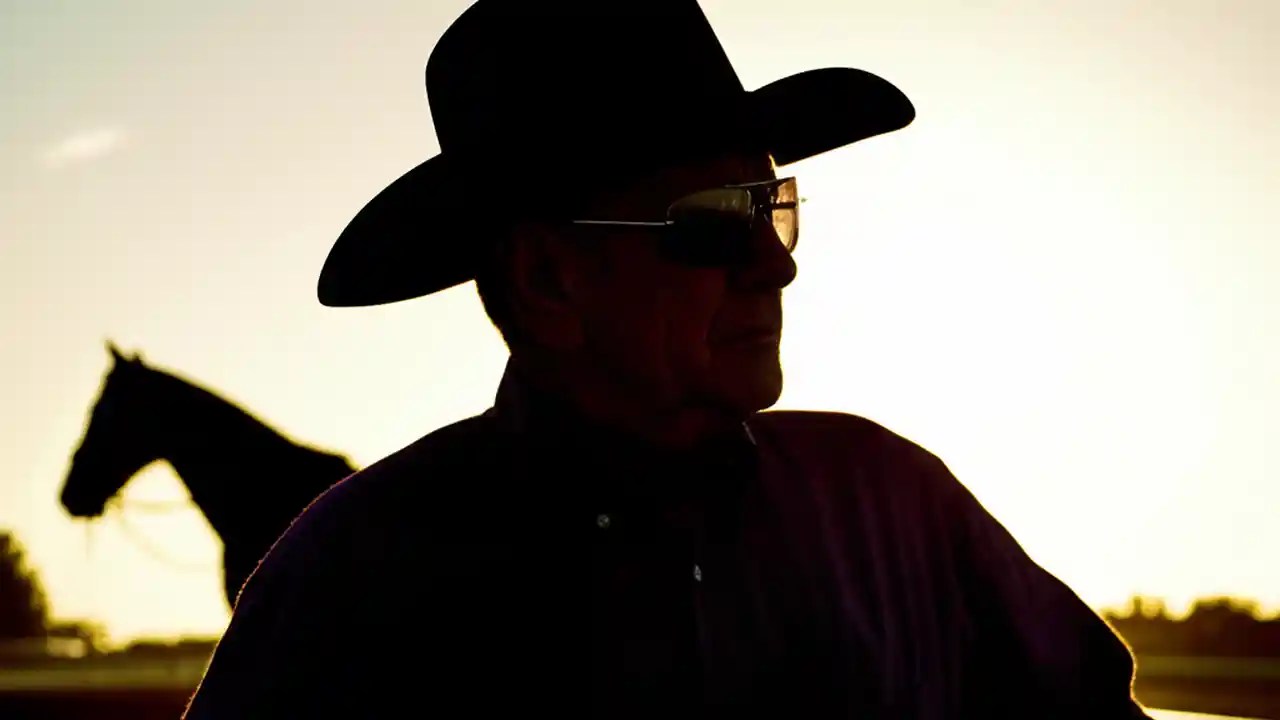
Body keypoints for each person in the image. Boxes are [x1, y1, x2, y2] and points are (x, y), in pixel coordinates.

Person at [183, 2, 1152, 718]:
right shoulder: (352, 578)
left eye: (772, 208)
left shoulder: (891, 504)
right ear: (549, 279)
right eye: (714, 225)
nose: (774, 265)